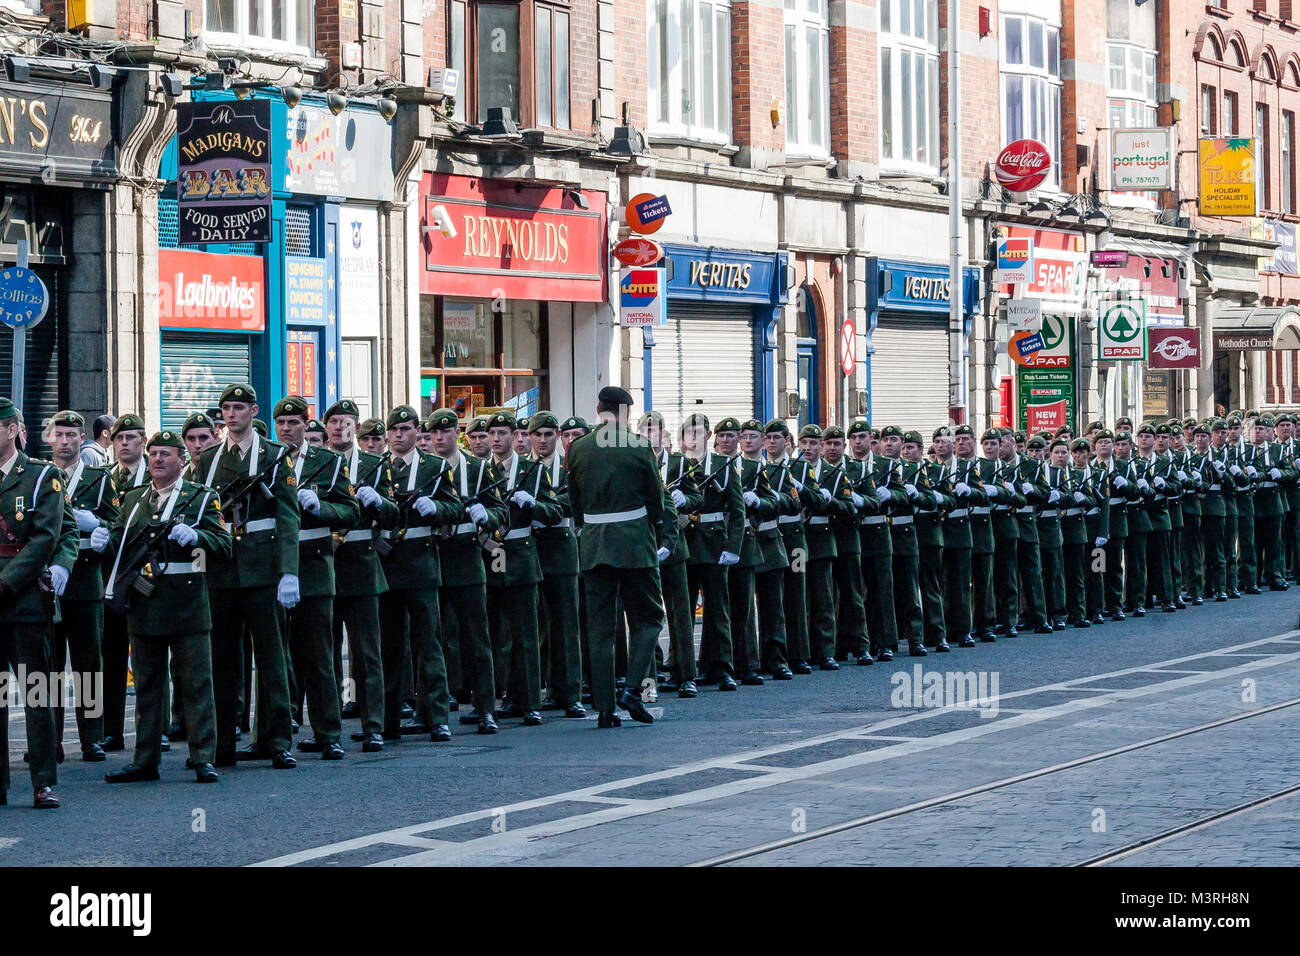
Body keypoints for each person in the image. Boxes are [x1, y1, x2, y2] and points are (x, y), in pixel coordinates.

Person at [102, 430, 231, 784]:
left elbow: (223, 545)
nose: (158, 459)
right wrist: (103, 537)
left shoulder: (201, 498)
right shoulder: (133, 500)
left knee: (196, 684)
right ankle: (145, 758)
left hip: (186, 600)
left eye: (167, 454)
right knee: (147, 684)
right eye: (154, 453)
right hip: (144, 601)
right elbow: (120, 541)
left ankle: (203, 756)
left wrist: (198, 537)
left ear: (182, 459)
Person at [195, 384, 300, 769]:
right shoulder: (208, 459)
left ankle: (277, 740)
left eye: (239, 408)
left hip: (262, 569)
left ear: (254, 411)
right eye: (226, 408)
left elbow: (288, 517)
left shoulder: (274, 456)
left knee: (272, 658)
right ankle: (220, 744)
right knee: (222, 661)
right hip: (222, 570)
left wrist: (289, 571)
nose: (232, 414)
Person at [565, 386, 664, 728]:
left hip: (593, 545)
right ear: (624, 411)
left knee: (600, 630)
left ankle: (605, 708)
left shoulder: (578, 448)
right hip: (634, 543)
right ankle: (633, 688)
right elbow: (657, 500)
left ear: (598, 409)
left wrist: (589, 529)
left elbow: (574, 501)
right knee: (649, 618)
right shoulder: (639, 446)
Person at [273, 396, 359, 759]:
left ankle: (329, 733)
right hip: (275, 566)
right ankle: (276, 734)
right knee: (276, 657)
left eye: (294, 423)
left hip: (314, 564)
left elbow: (350, 511)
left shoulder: (328, 462)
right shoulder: (267, 460)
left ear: (306, 427)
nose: (287, 429)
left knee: (319, 655)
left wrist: (320, 507)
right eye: (282, 423)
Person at [377, 404, 464, 742]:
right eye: (394, 430)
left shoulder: (435, 467)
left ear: (417, 432)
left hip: (421, 563)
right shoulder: (377, 467)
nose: (399, 435)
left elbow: (456, 508)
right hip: (386, 564)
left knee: (429, 644)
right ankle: (387, 719)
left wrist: (438, 508)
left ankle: (437, 715)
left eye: (406, 429)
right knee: (390, 647)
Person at [0, 397, 65, 809]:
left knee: (36, 694)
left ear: (11, 430)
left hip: (22, 600)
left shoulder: (41, 477)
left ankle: (42, 781)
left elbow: (45, 537)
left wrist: (6, 583)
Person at [45, 411, 116, 762]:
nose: (65, 441)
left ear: (82, 438)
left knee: (89, 663)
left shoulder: (100, 479)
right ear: (48, 437)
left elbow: (121, 525)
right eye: (59, 434)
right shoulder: (39, 476)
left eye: (72, 434)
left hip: (87, 579)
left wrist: (101, 525)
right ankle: (50, 739)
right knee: (49, 665)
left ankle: (91, 737)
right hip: (49, 583)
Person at [324, 399, 394, 751]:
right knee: (326, 652)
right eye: (334, 422)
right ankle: (329, 728)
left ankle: (374, 724)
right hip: (324, 564)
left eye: (347, 422)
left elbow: (396, 514)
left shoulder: (374, 464)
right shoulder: (313, 463)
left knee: (367, 652)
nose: (340, 428)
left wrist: (380, 503)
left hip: (363, 565)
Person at [484, 410, 561, 725]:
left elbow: (555, 512)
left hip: (521, 552)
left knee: (526, 633)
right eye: (493, 434)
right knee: (496, 635)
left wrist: (534, 505)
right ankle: (501, 699)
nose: (498, 439)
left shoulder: (532, 470)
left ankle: (529, 701)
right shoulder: (481, 470)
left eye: (504, 433)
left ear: (515, 436)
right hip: (492, 554)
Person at [430, 408, 504, 733]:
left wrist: (486, 516)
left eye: (446, 432)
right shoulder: (423, 467)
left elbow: (501, 509)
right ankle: (433, 710)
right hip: (432, 557)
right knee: (434, 638)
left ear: (455, 434)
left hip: (467, 556)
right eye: (434, 433)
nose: (440, 437)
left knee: (477, 638)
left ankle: (485, 707)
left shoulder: (476, 468)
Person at [529, 412, 587, 717]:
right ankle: (546, 689)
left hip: (562, 549)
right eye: (536, 435)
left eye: (549, 435)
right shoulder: (525, 469)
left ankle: (570, 692)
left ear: (558, 438)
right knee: (536, 627)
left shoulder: (569, 470)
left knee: (566, 627)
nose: (542, 440)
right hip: (531, 549)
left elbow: (569, 503)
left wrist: (538, 506)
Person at [99, 413, 149, 753]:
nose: (125, 443)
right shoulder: (103, 479)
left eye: (131, 437)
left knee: (149, 660)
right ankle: (111, 730)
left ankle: (152, 729)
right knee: (111, 657)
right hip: (111, 577)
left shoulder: (158, 474)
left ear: (143, 441)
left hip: (146, 576)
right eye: (119, 438)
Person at [681, 413, 743, 689]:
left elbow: (737, 510)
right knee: (683, 610)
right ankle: (684, 669)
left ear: (708, 435)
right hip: (684, 544)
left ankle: (721, 667)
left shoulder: (724, 464)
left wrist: (733, 547)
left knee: (718, 609)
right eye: (688, 432)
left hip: (715, 543)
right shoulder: (677, 464)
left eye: (699, 432)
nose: (694, 437)